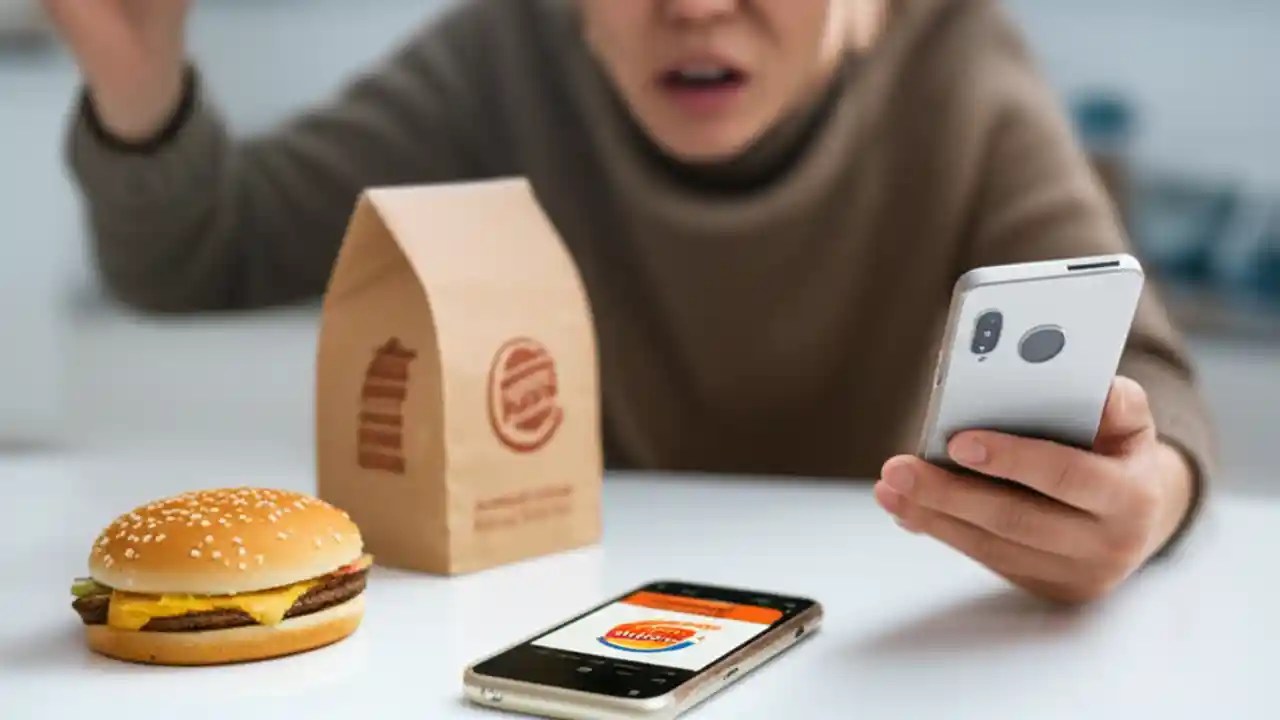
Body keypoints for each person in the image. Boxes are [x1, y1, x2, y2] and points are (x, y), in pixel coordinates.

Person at [45, 0, 1216, 605]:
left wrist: (1139, 498)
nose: (695, 7)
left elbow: (1146, 380)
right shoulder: (505, 59)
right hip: (589, 617)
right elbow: (199, 256)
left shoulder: (955, 65)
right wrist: (138, 89)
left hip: (891, 624)